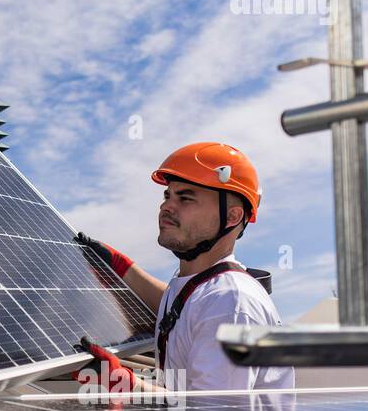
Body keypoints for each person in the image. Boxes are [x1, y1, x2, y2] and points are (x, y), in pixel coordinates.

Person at [75, 142, 293, 393]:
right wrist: (123, 269)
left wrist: (126, 385)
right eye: (168, 195)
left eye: (186, 198)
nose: (166, 206)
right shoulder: (199, 286)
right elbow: (186, 312)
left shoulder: (231, 302)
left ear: (232, 217)